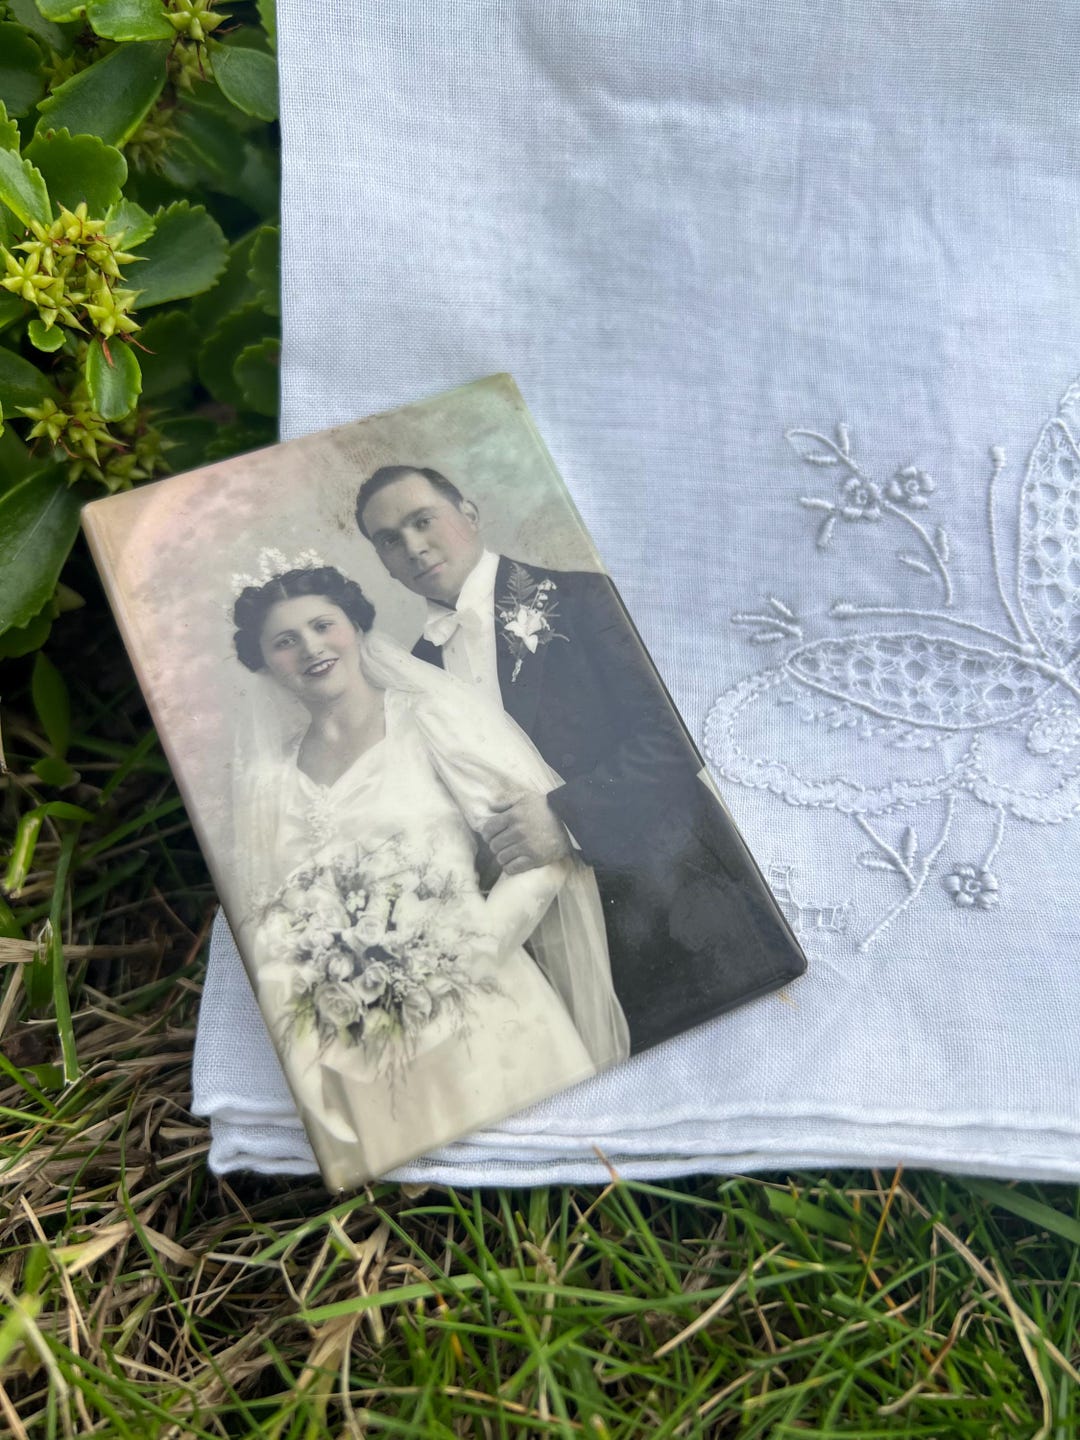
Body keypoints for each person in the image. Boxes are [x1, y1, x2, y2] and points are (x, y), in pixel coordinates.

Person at [356, 466, 805, 1051]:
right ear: (383, 561)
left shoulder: (582, 597)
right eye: (390, 539)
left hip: (678, 902)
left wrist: (565, 818)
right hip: (553, 940)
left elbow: (673, 738)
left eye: (422, 520)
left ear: (467, 513)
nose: (413, 546)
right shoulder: (416, 669)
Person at [230, 560, 629, 1187]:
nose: (310, 647)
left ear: (355, 628)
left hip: (485, 1007)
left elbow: (545, 854)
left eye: (322, 625)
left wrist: (461, 956)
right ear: (264, 664)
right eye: (284, 641)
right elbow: (270, 920)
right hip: (360, 1040)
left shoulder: (429, 721)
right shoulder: (268, 782)